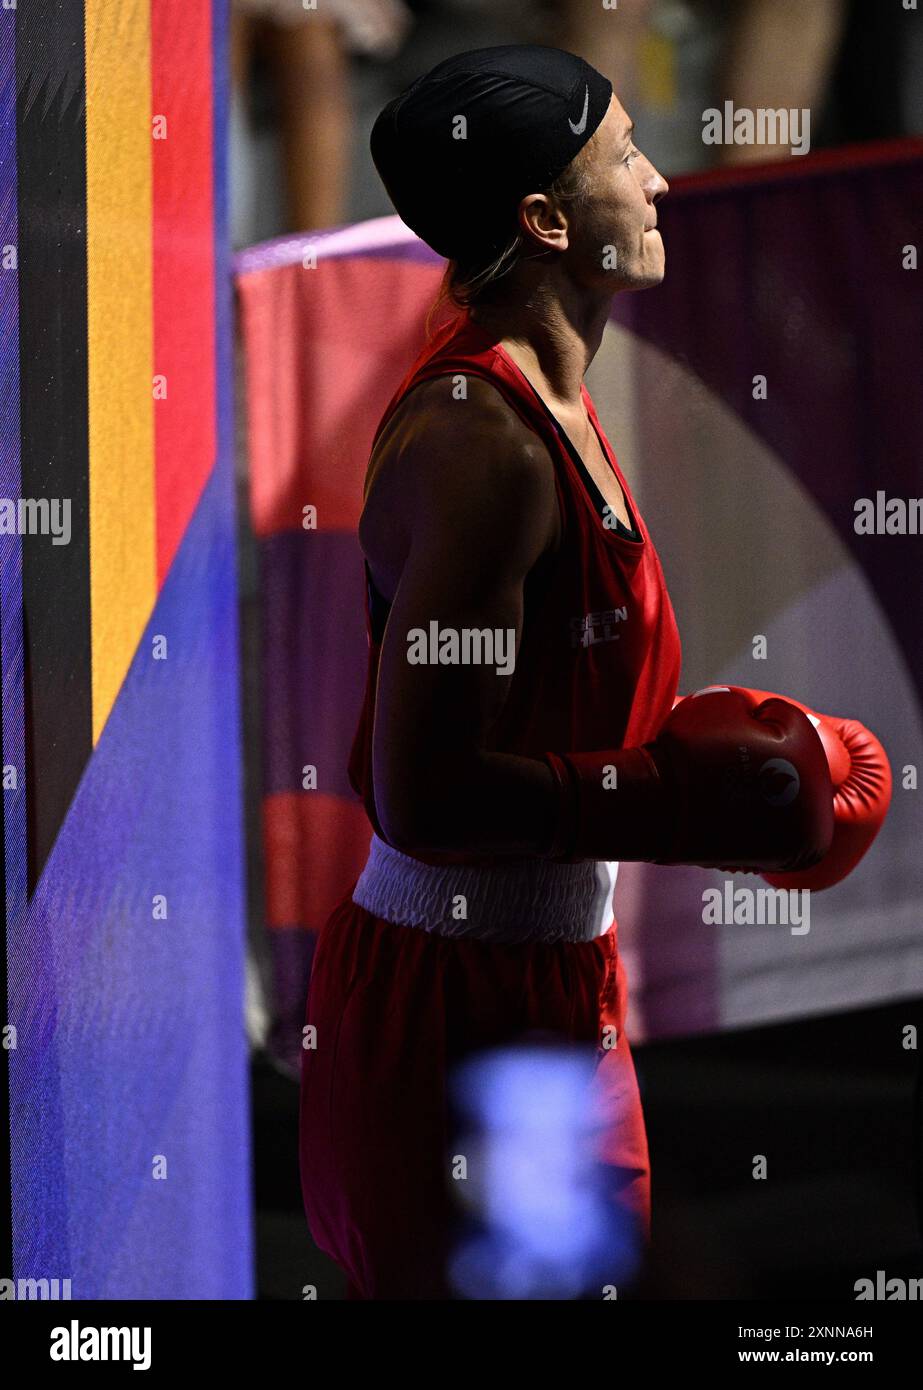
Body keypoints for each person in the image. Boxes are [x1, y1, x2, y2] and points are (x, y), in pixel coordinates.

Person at [298, 44, 887, 1300]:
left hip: (548, 973)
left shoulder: (554, 402)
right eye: (623, 154)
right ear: (547, 219)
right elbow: (427, 794)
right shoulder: (483, 448)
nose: (660, 180)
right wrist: (673, 800)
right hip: (456, 1008)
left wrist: (676, 764)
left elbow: (544, 710)